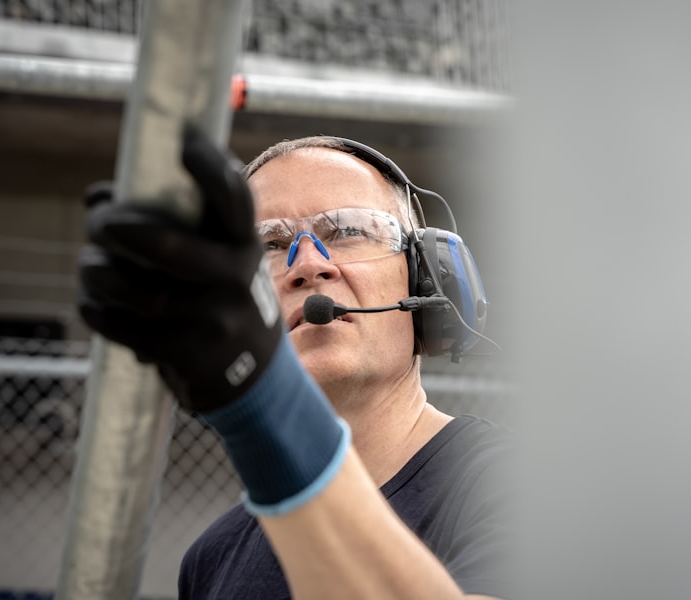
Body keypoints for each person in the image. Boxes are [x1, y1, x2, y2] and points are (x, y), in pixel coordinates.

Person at [77, 125, 512, 599]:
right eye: (270, 245)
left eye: (348, 230)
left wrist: (265, 401)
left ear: (424, 278)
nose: (307, 266)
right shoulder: (210, 560)